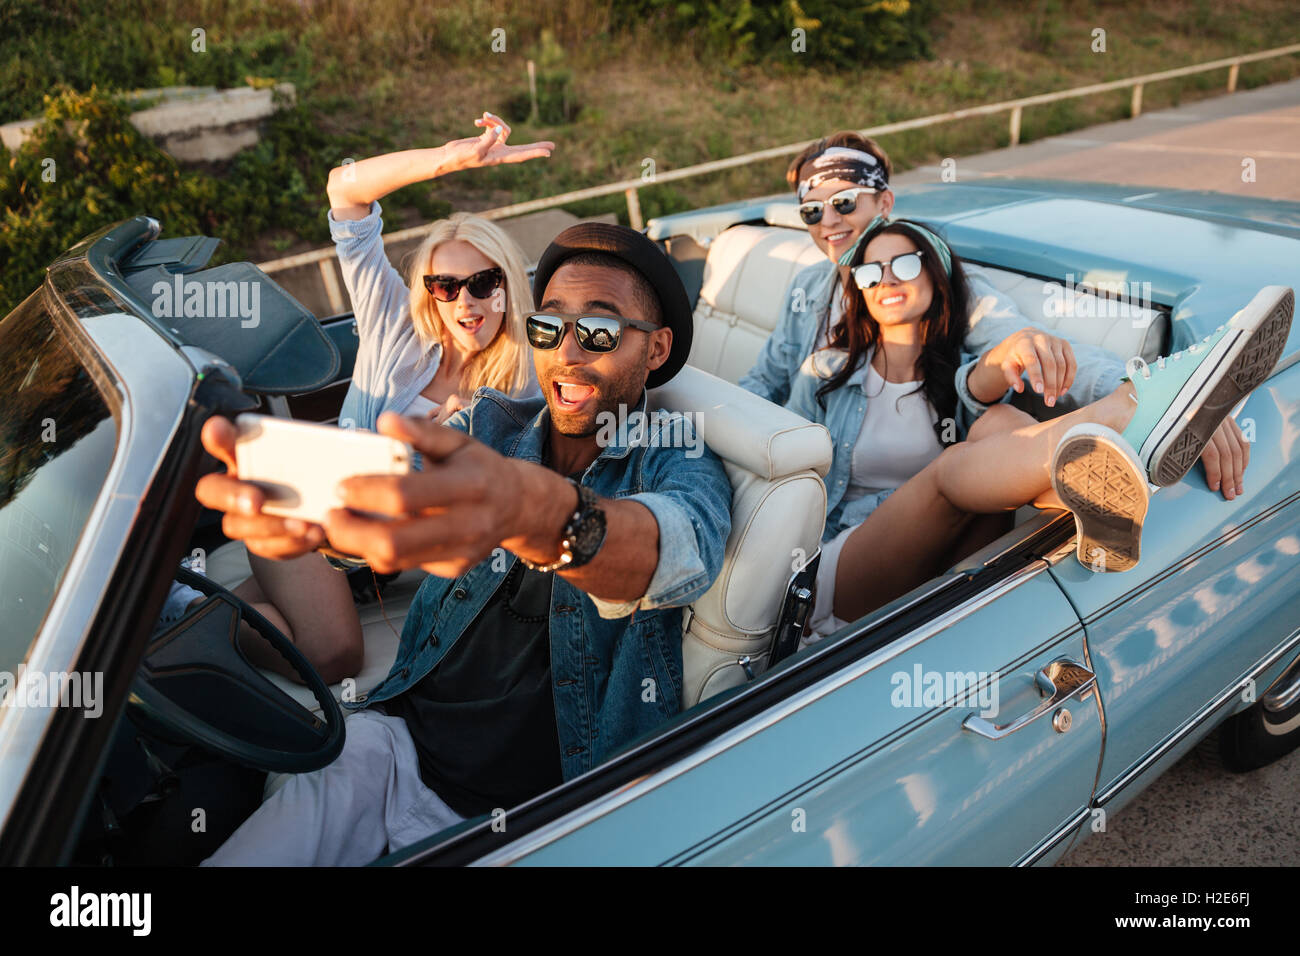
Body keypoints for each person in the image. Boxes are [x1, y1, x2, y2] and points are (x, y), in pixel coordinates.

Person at [194, 222, 733, 865]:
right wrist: (311, 500)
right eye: (549, 325)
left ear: (656, 348)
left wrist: (537, 513)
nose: (568, 351)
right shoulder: (487, 425)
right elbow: (386, 482)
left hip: (537, 820)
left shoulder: (677, 456)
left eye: (601, 330)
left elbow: (670, 547)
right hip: (394, 748)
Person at [786, 215, 1292, 639]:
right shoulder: (826, 371)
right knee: (949, 470)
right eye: (871, 272)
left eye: (903, 264)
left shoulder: (955, 373)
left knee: (1000, 419)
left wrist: (1019, 348)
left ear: (936, 276)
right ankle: (1140, 408)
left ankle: (1109, 492)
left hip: (937, 571)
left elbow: (988, 375)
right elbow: (785, 465)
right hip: (838, 573)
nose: (887, 279)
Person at [221, 112, 554, 685]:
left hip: (364, 561)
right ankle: (196, 630)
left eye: (483, 282)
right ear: (429, 291)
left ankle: (187, 623)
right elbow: (343, 191)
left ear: (508, 285)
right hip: (305, 511)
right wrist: (448, 160)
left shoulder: (525, 382)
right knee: (332, 658)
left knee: (248, 616)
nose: (464, 302)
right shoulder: (395, 328)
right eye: (445, 286)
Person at [739, 131, 1252, 501]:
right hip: (800, 486)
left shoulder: (941, 287)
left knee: (999, 421)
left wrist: (1155, 392)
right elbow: (767, 380)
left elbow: (1026, 341)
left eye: (845, 202)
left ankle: (1124, 439)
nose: (829, 222)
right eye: (812, 211)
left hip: (907, 493)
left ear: (884, 202)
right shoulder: (809, 287)